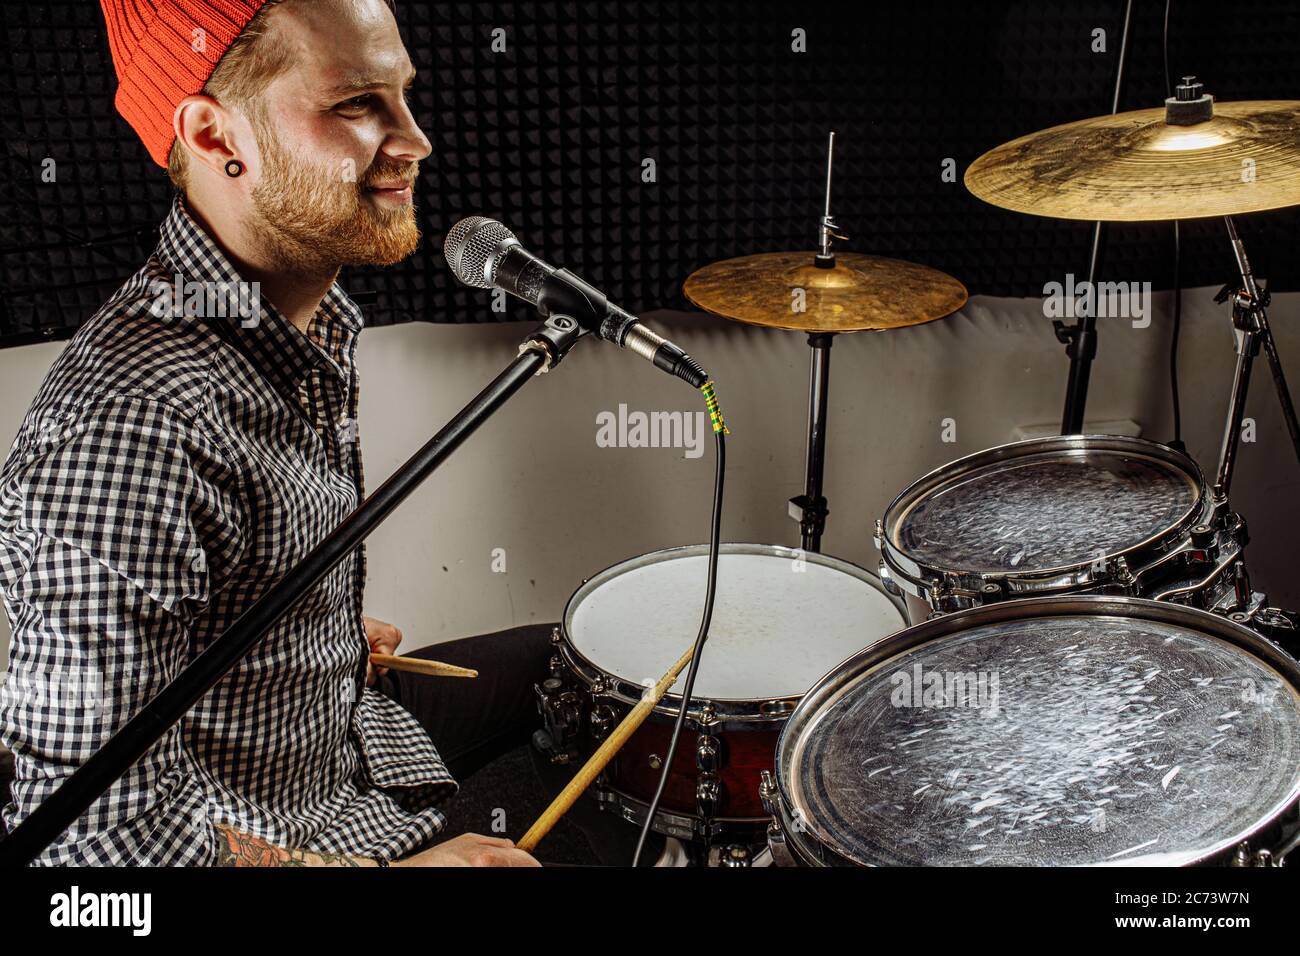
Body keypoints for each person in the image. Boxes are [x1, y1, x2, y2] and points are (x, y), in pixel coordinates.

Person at [0, 0, 557, 866]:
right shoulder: (131, 428)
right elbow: (88, 851)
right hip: (290, 831)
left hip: (342, 744)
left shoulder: (302, 313)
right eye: (355, 104)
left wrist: (311, 629)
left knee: (574, 659)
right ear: (217, 135)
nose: (415, 140)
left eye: (403, 96)